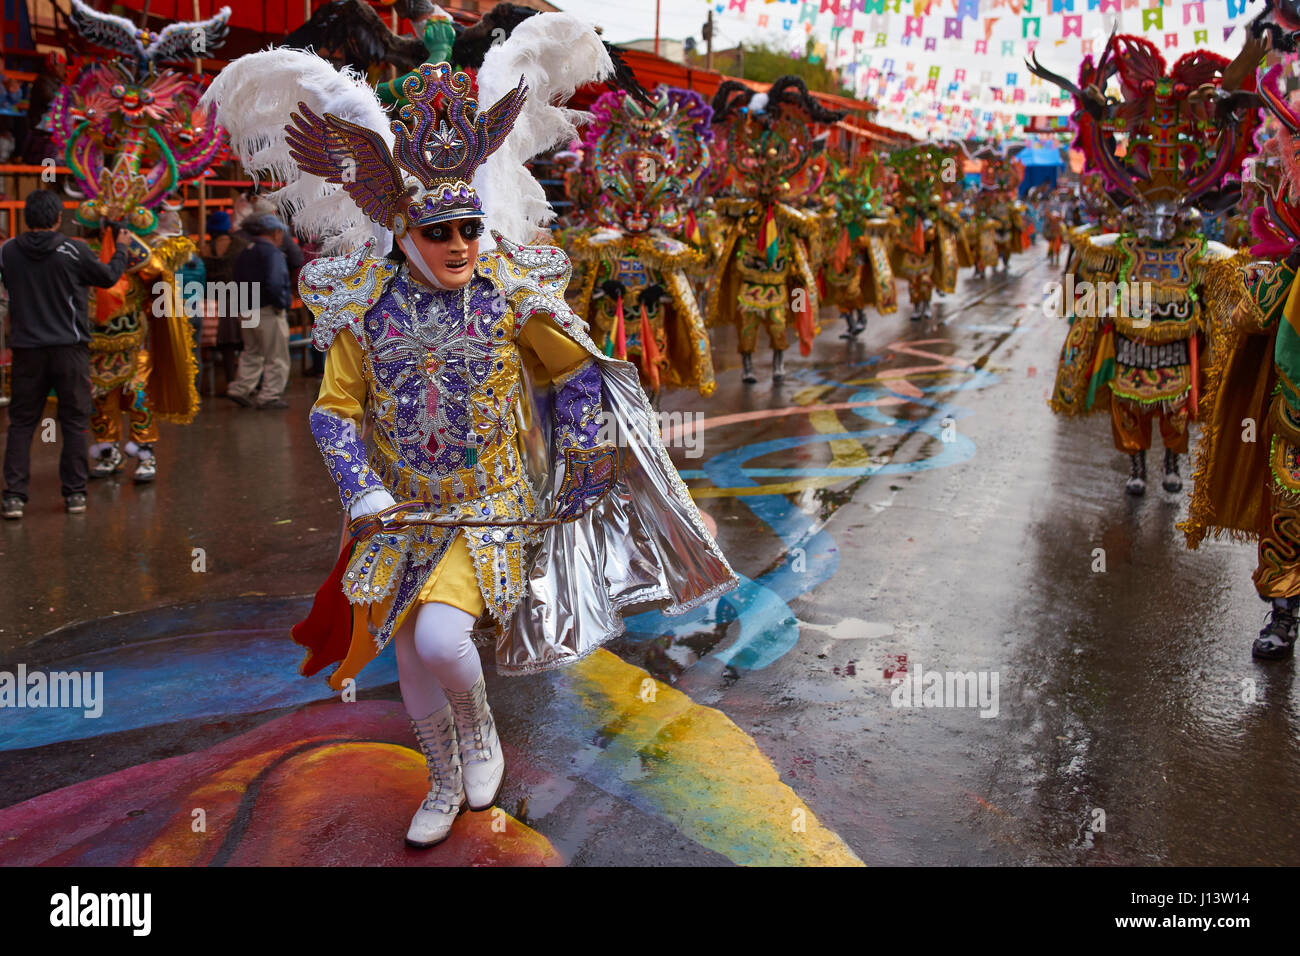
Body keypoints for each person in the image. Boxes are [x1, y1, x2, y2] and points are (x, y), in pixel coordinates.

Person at [206, 46, 737, 850]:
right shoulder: (368, 309)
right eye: (439, 230)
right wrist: (363, 490)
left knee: (442, 640)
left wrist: (585, 470)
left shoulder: (506, 296)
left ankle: (481, 731)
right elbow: (333, 413)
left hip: (491, 505)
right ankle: (444, 777)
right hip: (399, 512)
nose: (458, 244)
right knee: (410, 661)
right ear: (404, 231)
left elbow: (580, 377)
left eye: (469, 228)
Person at [1, 189, 130, 518]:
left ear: (27, 217)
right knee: (73, 422)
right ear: (58, 218)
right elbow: (108, 277)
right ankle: (74, 495)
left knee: (21, 424)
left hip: (26, 351)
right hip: (68, 350)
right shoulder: (73, 249)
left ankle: (13, 497)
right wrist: (123, 249)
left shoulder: (8, 252)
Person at [226, 214, 292, 410]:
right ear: (276, 233)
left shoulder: (245, 251)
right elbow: (274, 282)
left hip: (246, 308)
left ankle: (239, 389)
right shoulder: (271, 253)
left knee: (251, 352)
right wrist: (281, 304)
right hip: (267, 309)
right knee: (276, 355)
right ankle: (269, 396)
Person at [200, 209, 247, 389]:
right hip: (240, 299)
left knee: (226, 344)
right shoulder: (241, 246)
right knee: (246, 344)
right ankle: (245, 382)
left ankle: (229, 380)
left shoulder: (204, 250)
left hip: (213, 303)